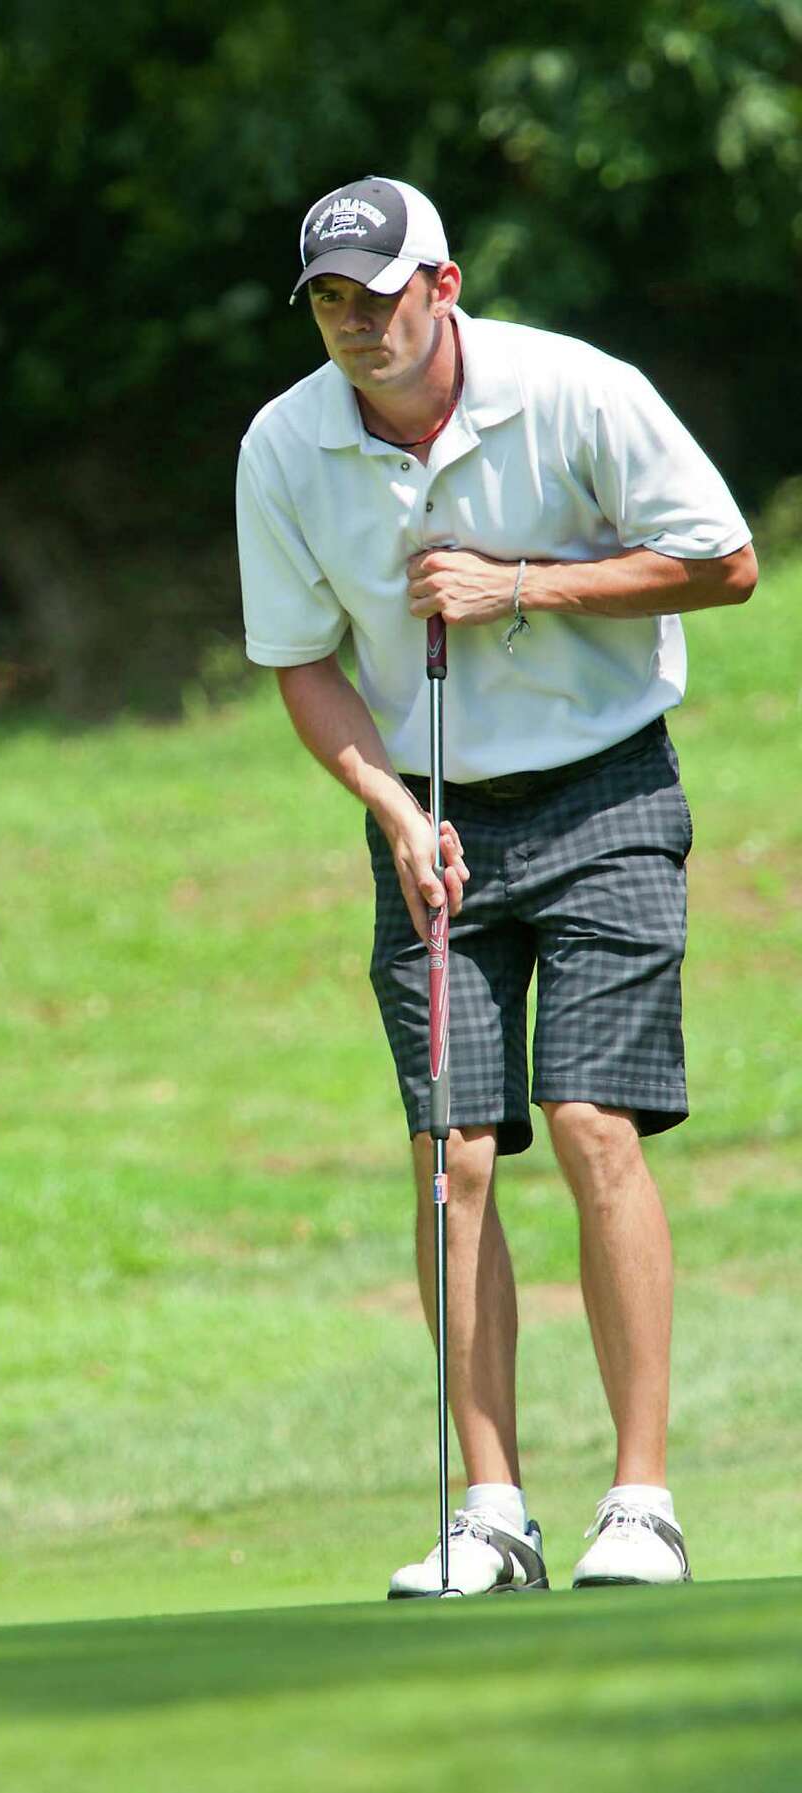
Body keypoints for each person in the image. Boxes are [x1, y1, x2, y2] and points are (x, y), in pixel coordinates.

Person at [235, 176, 757, 1596]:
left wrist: (519, 586)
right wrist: (396, 815)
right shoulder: (284, 447)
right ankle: (493, 1512)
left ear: (443, 286)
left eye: (380, 294)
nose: (358, 324)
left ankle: (639, 1502)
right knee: (452, 1156)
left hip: (606, 788)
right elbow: (301, 660)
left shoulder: (578, 393)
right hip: (436, 817)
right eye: (330, 301)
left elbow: (727, 564)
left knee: (592, 1122)